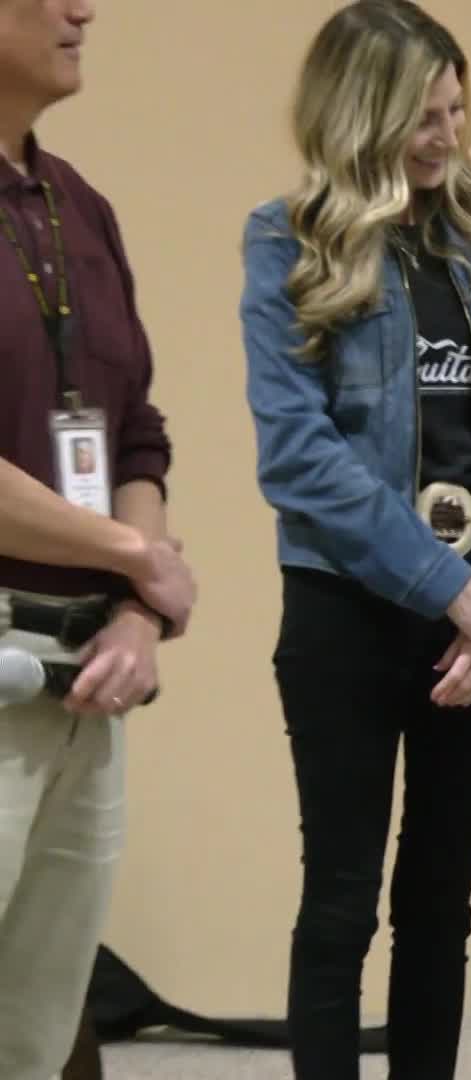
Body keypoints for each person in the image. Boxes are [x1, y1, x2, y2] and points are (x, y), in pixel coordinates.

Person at [238, 2, 471, 1076]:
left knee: (441, 900)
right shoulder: (288, 242)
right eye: (425, 116)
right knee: (341, 902)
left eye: (457, 111)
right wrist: (451, 591)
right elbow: (299, 455)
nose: (447, 136)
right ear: (361, 113)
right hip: (350, 612)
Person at [0, 0, 199, 1075]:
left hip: (88, 679)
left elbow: (137, 437)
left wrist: (133, 613)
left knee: (35, 1039)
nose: (85, 8)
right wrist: (137, 561)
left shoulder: (78, 207)